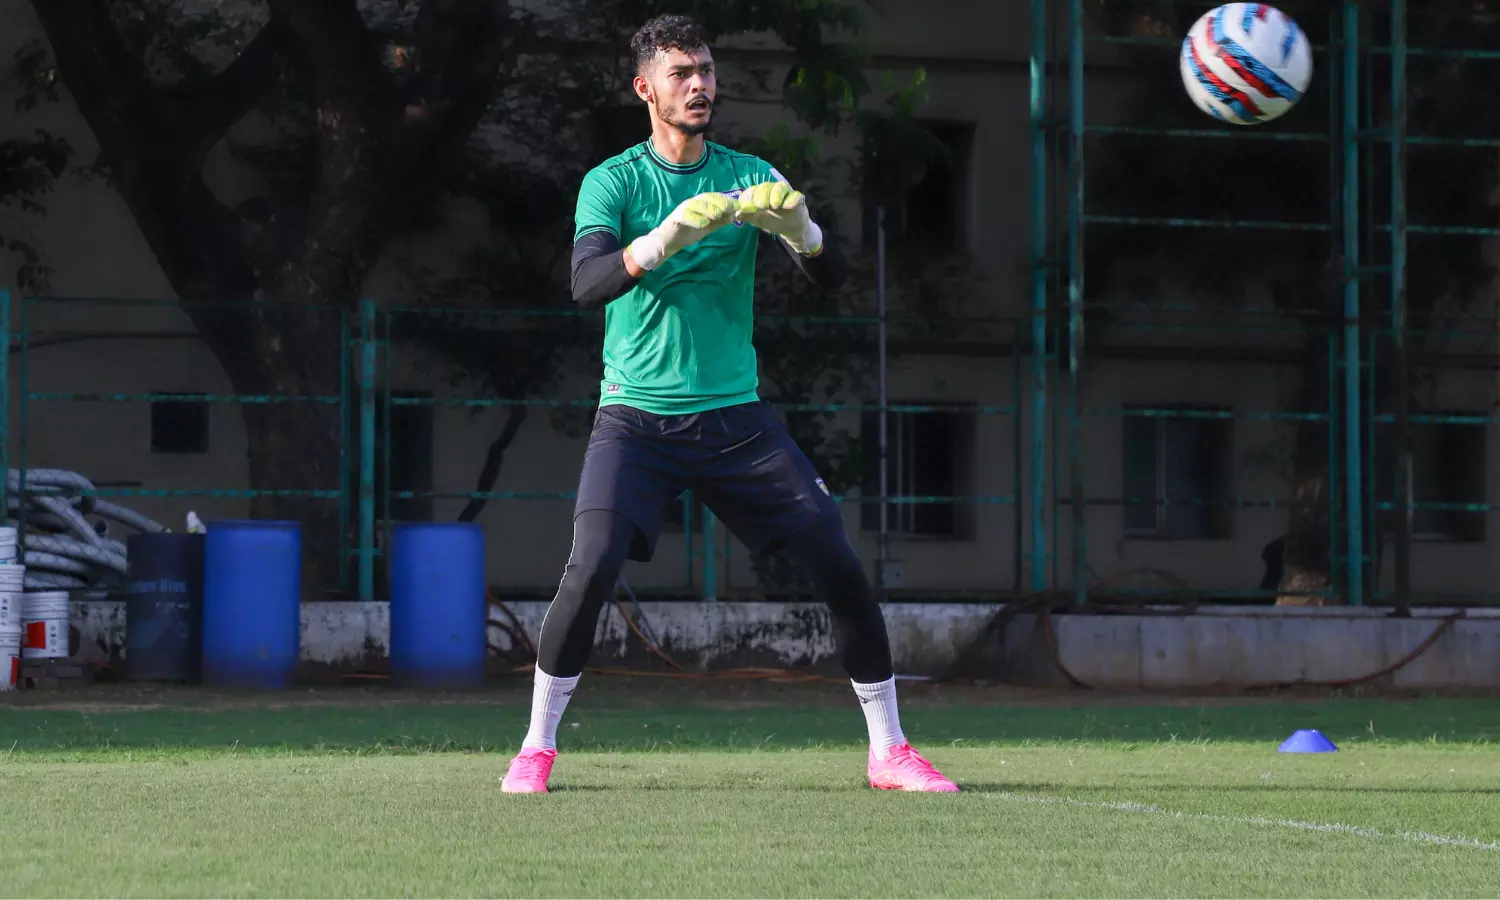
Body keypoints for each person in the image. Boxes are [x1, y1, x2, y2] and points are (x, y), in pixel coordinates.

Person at [499, 14, 958, 795]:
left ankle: (890, 752)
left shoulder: (747, 173)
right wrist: (667, 235)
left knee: (839, 564)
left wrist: (801, 228)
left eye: (706, 71)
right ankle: (535, 750)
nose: (700, 85)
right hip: (635, 421)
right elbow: (587, 283)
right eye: (682, 73)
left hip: (736, 422)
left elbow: (832, 278)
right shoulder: (614, 181)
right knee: (591, 567)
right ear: (646, 87)